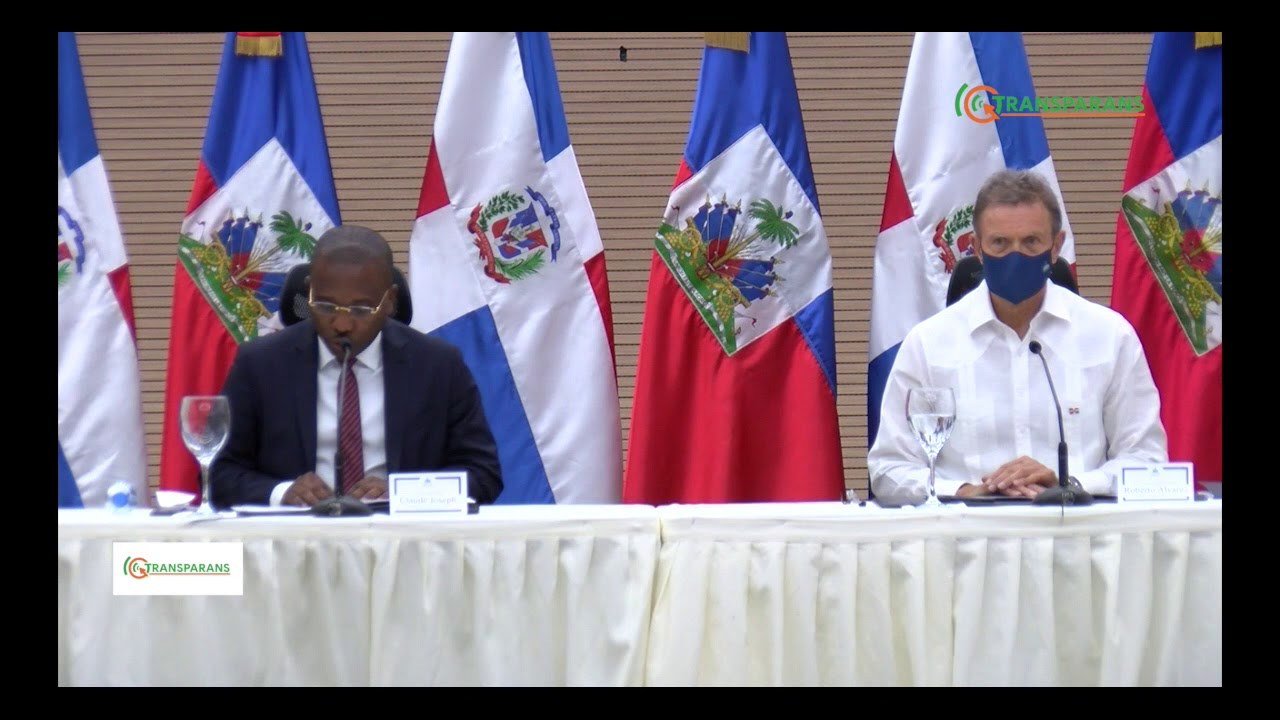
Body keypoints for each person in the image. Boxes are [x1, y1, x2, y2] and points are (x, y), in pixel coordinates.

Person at [868, 169, 1167, 504]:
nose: (1015, 256)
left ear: (1056, 247)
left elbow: (1148, 462)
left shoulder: (1110, 337)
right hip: (969, 543)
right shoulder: (928, 344)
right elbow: (889, 469)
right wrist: (967, 491)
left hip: (1077, 540)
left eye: (1030, 242)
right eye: (999, 243)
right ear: (977, 250)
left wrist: (1068, 483)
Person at [210, 224, 503, 507]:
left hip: (403, 544)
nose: (341, 324)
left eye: (361, 310)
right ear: (309, 292)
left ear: (389, 301)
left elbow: (483, 474)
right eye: (325, 306)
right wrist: (282, 492)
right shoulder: (261, 364)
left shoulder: (438, 366)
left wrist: (403, 494)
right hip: (294, 542)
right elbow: (218, 474)